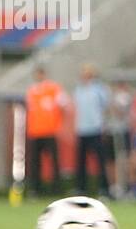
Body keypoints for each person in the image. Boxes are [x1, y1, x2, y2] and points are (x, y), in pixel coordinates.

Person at [25, 66, 69, 196]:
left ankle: (56, 188)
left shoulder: (53, 89)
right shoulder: (31, 91)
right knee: (35, 163)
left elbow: (64, 104)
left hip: (50, 131)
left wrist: (59, 124)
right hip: (35, 131)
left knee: (54, 162)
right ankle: (36, 189)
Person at [73, 64, 111, 196]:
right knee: (81, 162)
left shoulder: (99, 89)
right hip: (82, 129)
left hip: (96, 129)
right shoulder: (78, 90)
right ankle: (81, 188)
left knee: (100, 161)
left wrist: (104, 125)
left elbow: (105, 108)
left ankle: (104, 188)